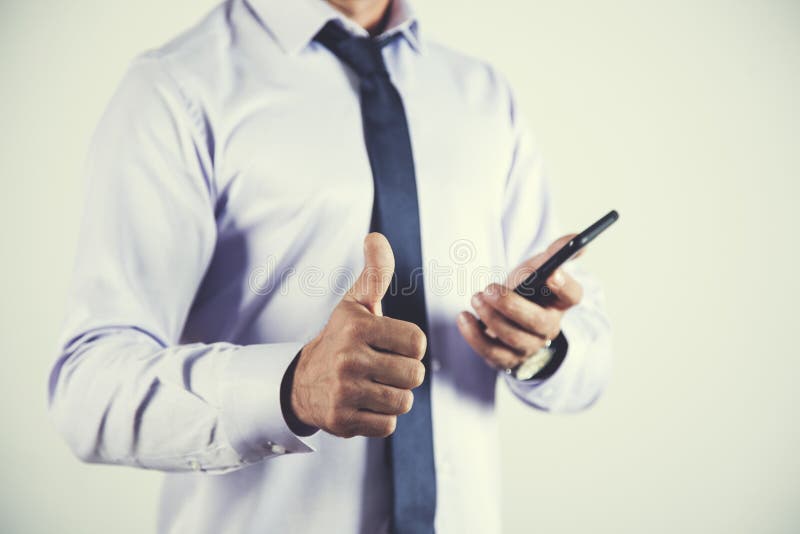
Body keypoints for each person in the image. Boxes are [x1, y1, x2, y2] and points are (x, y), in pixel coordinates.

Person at [48, 0, 612, 532]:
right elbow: (87, 389)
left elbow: (590, 359)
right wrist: (290, 387)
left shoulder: (483, 95)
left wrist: (540, 346)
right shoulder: (175, 88)